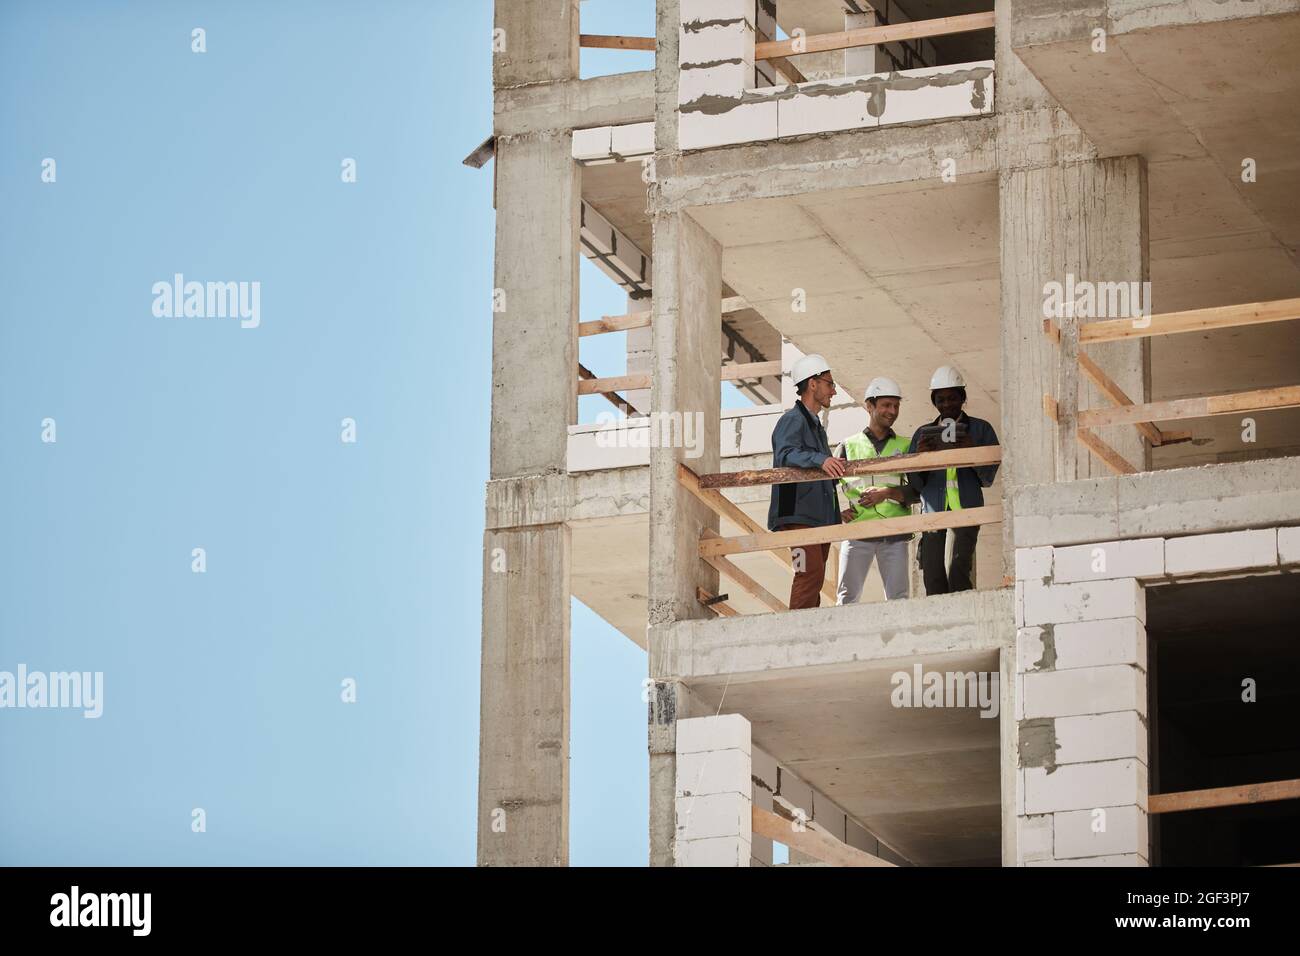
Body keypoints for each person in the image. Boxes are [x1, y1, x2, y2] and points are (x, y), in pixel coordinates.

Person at [907, 366, 1000, 595]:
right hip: (933, 513)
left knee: (959, 571)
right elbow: (915, 484)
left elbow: (988, 478)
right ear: (934, 401)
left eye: (952, 398)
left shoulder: (980, 429)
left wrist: (972, 452)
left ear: (962, 398)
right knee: (933, 576)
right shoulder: (922, 433)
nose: (947, 404)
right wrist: (921, 459)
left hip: (967, 509)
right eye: (941, 399)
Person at [767, 354, 843, 609]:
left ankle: (808, 626)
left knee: (815, 575)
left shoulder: (815, 425)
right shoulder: (793, 420)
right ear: (813, 384)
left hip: (818, 517)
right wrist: (820, 459)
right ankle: (796, 632)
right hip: (797, 517)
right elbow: (784, 454)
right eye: (829, 384)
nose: (833, 391)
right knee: (808, 573)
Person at [835, 377, 918, 603]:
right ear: (869, 406)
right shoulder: (848, 446)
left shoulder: (906, 445)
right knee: (846, 598)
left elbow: (917, 489)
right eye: (886, 405)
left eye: (896, 405)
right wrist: (835, 513)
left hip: (895, 532)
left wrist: (887, 493)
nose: (892, 411)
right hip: (858, 531)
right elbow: (824, 486)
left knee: (899, 599)